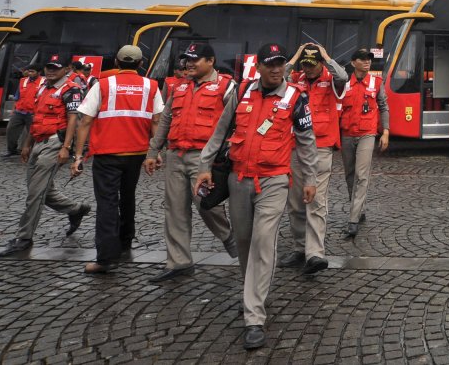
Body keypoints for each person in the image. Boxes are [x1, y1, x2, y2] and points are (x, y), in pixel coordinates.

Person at [194, 42, 318, 351]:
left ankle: (254, 317)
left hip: (274, 180)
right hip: (238, 179)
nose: (276, 69)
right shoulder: (243, 91)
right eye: (270, 64)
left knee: (264, 240)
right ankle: (254, 293)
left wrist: (311, 179)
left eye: (280, 64)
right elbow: (221, 131)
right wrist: (204, 165)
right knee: (246, 241)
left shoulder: (295, 98)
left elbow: (307, 140)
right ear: (259, 67)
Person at [142, 42, 238, 282]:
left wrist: (228, 153)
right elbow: (165, 120)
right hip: (176, 154)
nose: (190, 64)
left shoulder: (226, 86)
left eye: (196, 59)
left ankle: (231, 239)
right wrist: (153, 151)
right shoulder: (180, 86)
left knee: (208, 205)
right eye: (188, 60)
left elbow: (237, 122)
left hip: (205, 158)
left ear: (211, 61)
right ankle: (179, 262)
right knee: (174, 210)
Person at [71, 45, 163, 274]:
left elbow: (85, 121)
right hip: (136, 153)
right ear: (141, 64)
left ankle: (106, 258)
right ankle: (125, 240)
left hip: (107, 154)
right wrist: (155, 152)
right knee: (128, 197)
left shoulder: (103, 84)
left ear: (117, 63)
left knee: (107, 203)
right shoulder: (151, 86)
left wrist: (79, 155)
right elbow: (156, 122)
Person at [0, 52, 90, 257]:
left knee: (35, 194)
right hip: (38, 141)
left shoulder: (71, 90)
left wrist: (67, 148)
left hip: (55, 144)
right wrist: (27, 144)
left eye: (56, 67)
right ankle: (77, 209)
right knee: (40, 190)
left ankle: (24, 237)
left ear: (67, 69)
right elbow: (37, 117)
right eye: (49, 67)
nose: (50, 70)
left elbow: (74, 120)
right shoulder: (42, 88)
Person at [276, 42, 346, 274]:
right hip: (295, 147)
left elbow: (343, 76)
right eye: (305, 64)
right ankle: (299, 248)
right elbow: (279, 76)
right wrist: (296, 56)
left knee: (316, 201)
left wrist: (327, 57)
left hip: (322, 147)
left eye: (312, 64)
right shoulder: (295, 78)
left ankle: (315, 253)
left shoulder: (332, 79)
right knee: (295, 202)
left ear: (320, 63)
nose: (308, 69)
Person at [339, 48, 389, 238]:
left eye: (369, 59)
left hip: (367, 134)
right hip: (347, 134)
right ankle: (359, 208)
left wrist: (385, 132)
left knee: (361, 175)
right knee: (350, 176)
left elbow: (384, 107)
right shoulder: (343, 83)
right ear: (353, 63)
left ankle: (353, 220)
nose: (367, 62)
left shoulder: (376, 83)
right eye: (362, 59)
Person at [4, 66, 41, 157]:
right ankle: (12, 150)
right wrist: (13, 109)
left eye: (32, 71)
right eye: (29, 71)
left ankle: (29, 151)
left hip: (33, 113)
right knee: (10, 130)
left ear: (39, 72)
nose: (30, 73)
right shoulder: (23, 81)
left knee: (32, 134)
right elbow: (17, 96)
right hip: (19, 111)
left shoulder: (44, 82)